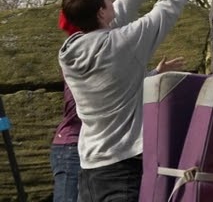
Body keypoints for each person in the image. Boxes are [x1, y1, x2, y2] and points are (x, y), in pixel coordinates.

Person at [58, 0, 208, 202]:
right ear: (102, 12)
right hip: (122, 167)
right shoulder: (121, 44)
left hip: (89, 168)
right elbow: (168, 6)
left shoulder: (69, 51)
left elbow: (121, 9)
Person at [51, 12, 185, 202]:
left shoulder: (96, 56)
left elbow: (120, 90)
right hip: (72, 147)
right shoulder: (80, 63)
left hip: (93, 151)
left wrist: (155, 72)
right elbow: (95, 102)